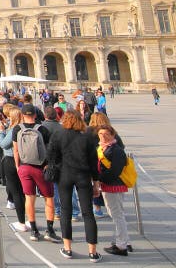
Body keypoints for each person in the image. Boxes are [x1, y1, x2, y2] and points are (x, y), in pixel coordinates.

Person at [47, 111, 100, 262]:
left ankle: (67, 248)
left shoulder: (58, 134)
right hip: (83, 176)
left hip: (65, 175)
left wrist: (55, 167)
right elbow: (93, 161)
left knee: (65, 211)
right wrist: (96, 182)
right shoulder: (87, 137)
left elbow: (51, 155)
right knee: (88, 213)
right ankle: (92, 252)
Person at [13, 104, 60, 243]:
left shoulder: (17, 129)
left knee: (29, 198)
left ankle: (33, 230)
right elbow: (50, 149)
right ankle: (49, 229)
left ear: (22, 115)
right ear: (35, 115)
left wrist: (18, 166)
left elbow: (16, 150)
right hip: (40, 167)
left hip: (24, 167)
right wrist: (48, 165)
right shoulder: (42, 129)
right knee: (48, 198)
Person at [96, 125, 131, 257]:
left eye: (106, 134)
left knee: (117, 215)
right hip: (108, 185)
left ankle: (122, 245)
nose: (103, 136)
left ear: (112, 135)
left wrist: (99, 178)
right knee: (116, 214)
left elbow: (115, 171)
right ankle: (124, 240)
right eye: (100, 134)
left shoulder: (116, 150)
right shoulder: (103, 147)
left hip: (113, 185)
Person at [0, 106, 26, 226]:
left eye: (10, 117)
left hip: (11, 159)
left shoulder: (15, 129)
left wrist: (1, 132)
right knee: (23, 191)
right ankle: (29, 220)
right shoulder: (24, 128)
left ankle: (21, 221)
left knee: (16, 192)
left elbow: (3, 144)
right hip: (24, 160)